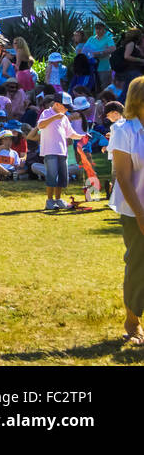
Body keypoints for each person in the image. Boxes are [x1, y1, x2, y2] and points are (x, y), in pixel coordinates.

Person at [107, 77, 144, 344]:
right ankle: (133, 321)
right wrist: (141, 215)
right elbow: (122, 176)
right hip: (135, 210)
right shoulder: (124, 130)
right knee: (138, 265)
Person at [36, 92, 76, 211]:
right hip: (50, 150)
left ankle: (58, 199)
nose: (67, 110)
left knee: (63, 177)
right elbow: (40, 125)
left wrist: (82, 136)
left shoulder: (64, 117)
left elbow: (70, 133)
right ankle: (49, 200)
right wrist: (55, 117)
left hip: (62, 151)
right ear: (57, 104)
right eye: (65, 107)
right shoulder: (46, 113)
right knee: (52, 176)